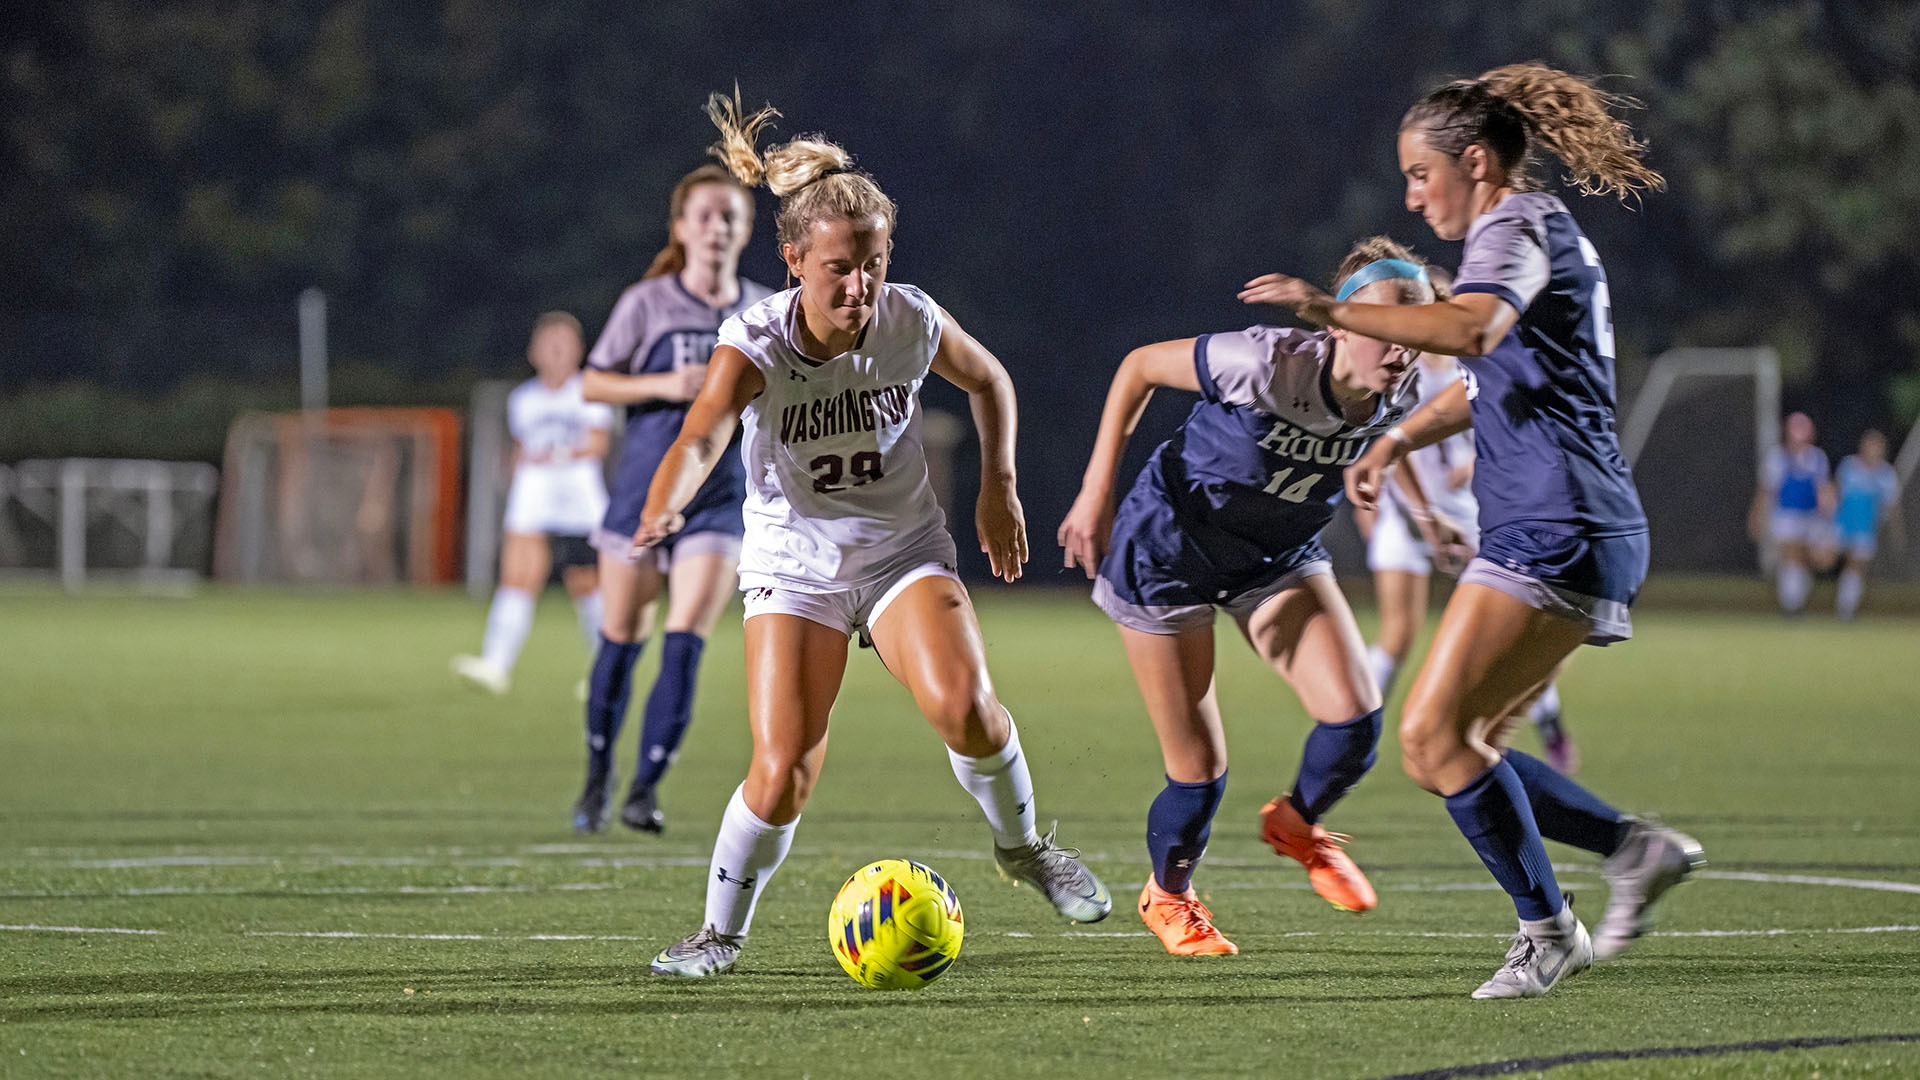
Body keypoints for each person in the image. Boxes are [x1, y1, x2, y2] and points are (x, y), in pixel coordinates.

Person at [1241, 63, 1703, 999]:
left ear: (1477, 162)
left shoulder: (1517, 224)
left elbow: (1478, 330)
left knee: (1429, 740)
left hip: (1557, 521)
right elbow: (1492, 372)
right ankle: (1634, 849)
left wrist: (1334, 309)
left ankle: (1548, 930)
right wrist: (1397, 439)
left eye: (1421, 175)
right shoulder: (1522, 233)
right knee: (1468, 743)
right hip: (1566, 521)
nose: (1413, 197)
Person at [644, 92, 1112, 978]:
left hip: (902, 553)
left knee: (968, 710)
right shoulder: (755, 340)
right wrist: (668, 499)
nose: (859, 286)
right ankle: (720, 934)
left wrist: (998, 487)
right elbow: (704, 427)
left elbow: (991, 380)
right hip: (796, 567)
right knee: (781, 771)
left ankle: (1024, 851)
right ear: (792, 263)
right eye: (838, 269)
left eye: (873, 263)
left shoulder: (909, 320)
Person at [1059, 238, 1456, 956]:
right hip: (1171, 547)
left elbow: (1444, 408)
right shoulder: (1268, 362)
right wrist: (1095, 493)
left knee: (1356, 722)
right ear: (1338, 323)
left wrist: (1419, 511)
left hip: (1273, 555)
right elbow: (1139, 367)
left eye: (1415, 329)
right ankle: (1169, 895)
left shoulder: (1407, 384)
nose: (1403, 346)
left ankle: (1297, 825)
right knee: (1200, 772)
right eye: (1388, 326)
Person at [572, 165, 775, 834]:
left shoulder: (764, 309)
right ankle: (597, 776)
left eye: (730, 217)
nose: (717, 228)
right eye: (706, 215)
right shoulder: (648, 303)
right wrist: (667, 382)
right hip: (642, 494)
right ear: (681, 227)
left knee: (684, 638)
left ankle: (644, 789)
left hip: (719, 500)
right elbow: (594, 384)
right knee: (622, 640)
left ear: (746, 231)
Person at [1364, 320, 1580, 775]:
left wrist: (1477, 462)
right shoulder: (1400, 372)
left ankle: (1549, 726)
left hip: (1471, 516)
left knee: (1512, 637)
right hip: (1408, 519)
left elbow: (1516, 430)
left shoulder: (1476, 367)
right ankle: (1353, 732)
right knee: (1398, 636)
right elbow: (1387, 447)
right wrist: (1416, 514)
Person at [454, 312, 613, 694]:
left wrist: (556, 454)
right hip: (535, 492)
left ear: (577, 350)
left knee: (587, 582)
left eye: (563, 343)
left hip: (578, 494)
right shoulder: (522, 399)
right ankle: (495, 663)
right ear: (534, 352)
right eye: (548, 343)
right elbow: (522, 450)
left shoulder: (590, 390)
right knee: (518, 576)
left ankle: (604, 673)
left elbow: (597, 444)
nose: (555, 351)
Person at [1750, 412, 1833, 616]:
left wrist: (1828, 516)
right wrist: (1757, 515)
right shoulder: (1777, 458)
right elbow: (1766, 490)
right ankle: (1791, 605)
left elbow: (1824, 491)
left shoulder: (1817, 459)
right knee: (1791, 555)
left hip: (1810, 517)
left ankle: (1795, 600)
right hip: (1785, 516)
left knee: (1808, 559)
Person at [1831, 429, 1902, 620]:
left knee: (1856, 566)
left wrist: (1897, 532)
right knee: (1823, 558)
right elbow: (1834, 494)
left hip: (1864, 529)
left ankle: (1845, 610)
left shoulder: (1886, 475)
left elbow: (1893, 507)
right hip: (1840, 525)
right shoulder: (1848, 466)